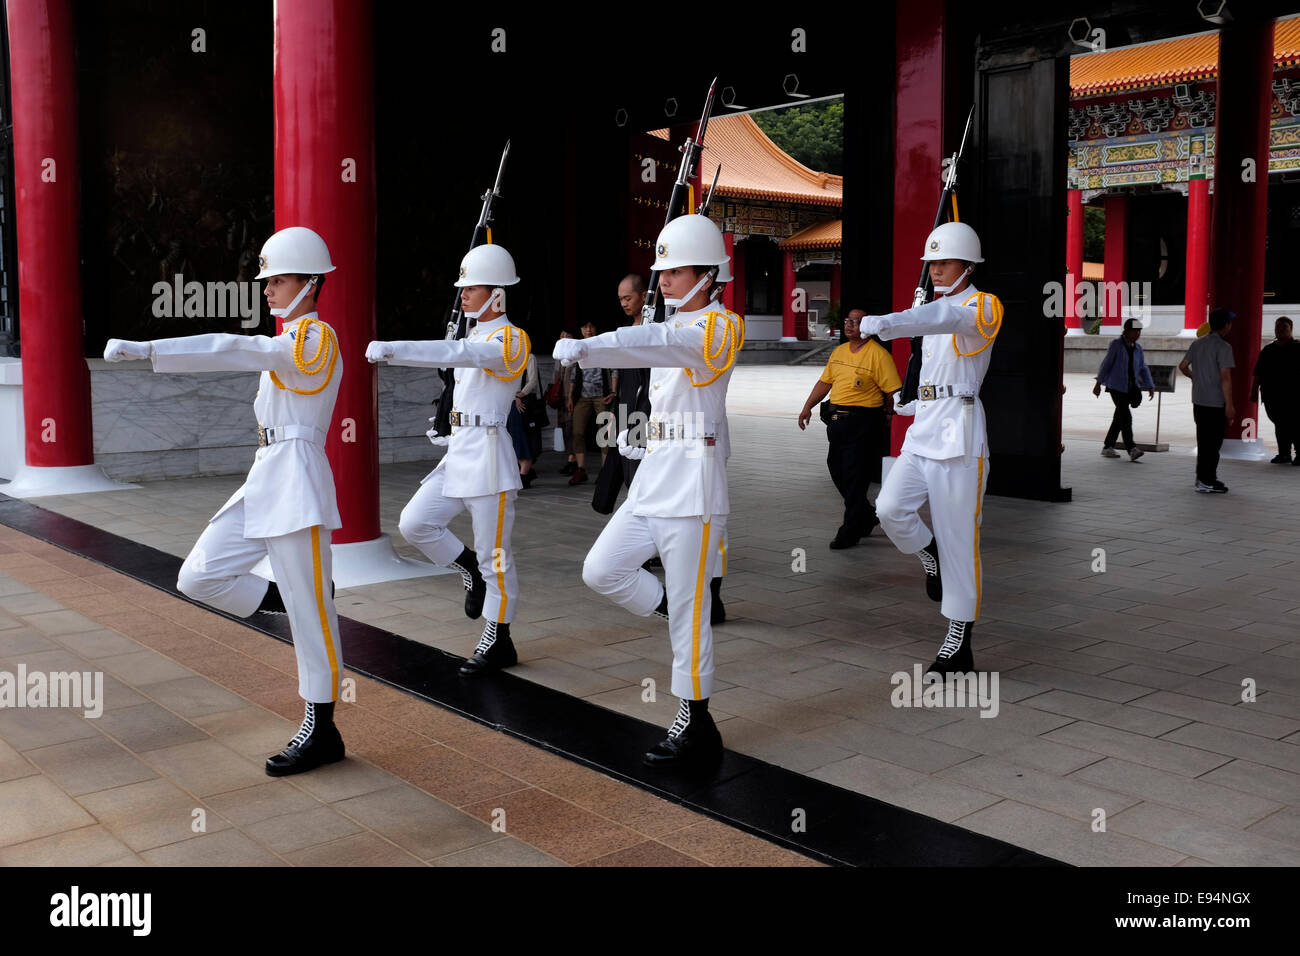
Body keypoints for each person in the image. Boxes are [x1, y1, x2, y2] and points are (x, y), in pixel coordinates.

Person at [103, 226, 347, 776]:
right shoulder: (288, 341)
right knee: (199, 575)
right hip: (266, 473)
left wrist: (150, 349)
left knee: (314, 618)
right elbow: (252, 351)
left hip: (298, 479)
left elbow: (237, 347)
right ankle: (287, 598)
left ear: (310, 284)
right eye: (266, 280)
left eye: (277, 280)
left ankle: (322, 724)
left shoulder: (315, 339)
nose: (266, 288)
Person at [556, 214, 741, 767]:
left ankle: (696, 717)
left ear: (707, 276)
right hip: (655, 474)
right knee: (602, 569)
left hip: (692, 484)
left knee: (691, 612)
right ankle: (671, 608)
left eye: (675, 271)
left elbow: (660, 341)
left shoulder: (720, 328)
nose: (662, 280)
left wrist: (590, 349)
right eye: (660, 271)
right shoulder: (676, 325)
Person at [366, 244, 529, 675]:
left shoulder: (511, 339)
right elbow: (459, 357)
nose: (463, 295)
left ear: (497, 294)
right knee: (415, 522)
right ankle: (466, 564)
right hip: (459, 450)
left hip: (490, 457)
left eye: (471, 288)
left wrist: (395, 350)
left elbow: (462, 357)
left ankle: (499, 637)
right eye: (462, 288)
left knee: (497, 555)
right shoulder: (473, 335)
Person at [859, 221, 1002, 678]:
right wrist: (913, 402)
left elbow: (948, 320)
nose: (935, 270)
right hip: (925, 428)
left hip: (960, 435)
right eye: (931, 263)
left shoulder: (983, 306)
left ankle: (958, 641)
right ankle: (928, 554)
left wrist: (890, 322)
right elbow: (936, 366)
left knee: (961, 541)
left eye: (943, 262)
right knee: (888, 508)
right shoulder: (934, 308)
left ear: (968, 265)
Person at [798, 308, 901, 548]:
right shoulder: (839, 351)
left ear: (868, 326)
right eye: (848, 320)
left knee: (855, 476)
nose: (849, 325)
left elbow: (892, 390)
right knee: (836, 469)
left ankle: (850, 529)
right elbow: (825, 382)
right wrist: (807, 407)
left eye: (856, 321)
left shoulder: (878, 355)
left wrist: (888, 414)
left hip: (864, 422)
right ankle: (865, 514)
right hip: (837, 421)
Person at [1178, 307, 1235, 493]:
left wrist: (1196, 377)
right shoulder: (1224, 347)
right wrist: (1230, 405)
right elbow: (1225, 378)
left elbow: (1183, 366)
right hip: (1216, 402)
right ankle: (1206, 480)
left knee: (1204, 441)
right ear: (1226, 325)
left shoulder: (1198, 344)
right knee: (1213, 444)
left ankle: (1203, 477)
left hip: (1199, 401)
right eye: (1230, 322)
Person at [1092, 318, 1156, 461]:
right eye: (1135, 330)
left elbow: (1143, 367)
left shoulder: (1138, 348)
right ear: (1125, 331)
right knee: (1126, 417)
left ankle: (1108, 446)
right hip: (1116, 386)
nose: (1138, 333)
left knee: (1119, 417)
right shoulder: (1116, 345)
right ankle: (1131, 449)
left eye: (1139, 331)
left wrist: (1150, 385)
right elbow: (1106, 364)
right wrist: (1098, 384)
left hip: (1130, 387)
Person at [613, 273, 652, 488]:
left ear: (644, 295)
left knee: (642, 470)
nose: (624, 303)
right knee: (624, 465)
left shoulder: (655, 330)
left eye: (628, 298)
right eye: (621, 299)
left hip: (646, 409)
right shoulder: (625, 331)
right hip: (623, 407)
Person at [567, 319, 615, 485]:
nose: (588, 329)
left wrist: (613, 391)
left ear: (595, 328)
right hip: (582, 396)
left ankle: (605, 470)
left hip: (601, 395)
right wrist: (570, 396)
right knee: (577, 432)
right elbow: (573, 373)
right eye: (584, 326)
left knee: (605, 433)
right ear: (580, 329)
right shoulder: (577, 346)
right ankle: (580, 469)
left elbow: (614, 369)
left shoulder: (602, 345)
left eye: (591, 326)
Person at [1251, 316, 1300, 465]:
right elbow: (1257, 372)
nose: (1280, 330)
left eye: (1284, 327)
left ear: (1291, 329)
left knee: (1296, 425)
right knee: (1280, 424)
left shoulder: (1298, 348)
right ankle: (1283, 454)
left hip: (1294, 396)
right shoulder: (1268, 350)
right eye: (1278, 327)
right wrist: (1253, 391)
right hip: (1272, 396)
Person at [506, 352, 543, 487]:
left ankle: (524, 474)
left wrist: (519, 396)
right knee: (514, 437)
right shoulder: (506, 358)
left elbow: (532, 381)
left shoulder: (529, 357)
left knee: (524, 437)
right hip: (511, 402)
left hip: (524, 401)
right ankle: (524, 472)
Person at [552, 331, 579, 475]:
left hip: (571, 397)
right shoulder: (558, 357)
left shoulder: (575, 356)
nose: (563, 339)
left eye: (567, 336)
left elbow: (574, 380)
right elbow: (556, 378)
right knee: (564, 428)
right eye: (561, 336)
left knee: (572, 429)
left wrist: (570, 397)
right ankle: (570, 458)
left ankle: (573, 460)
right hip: (561, 397)